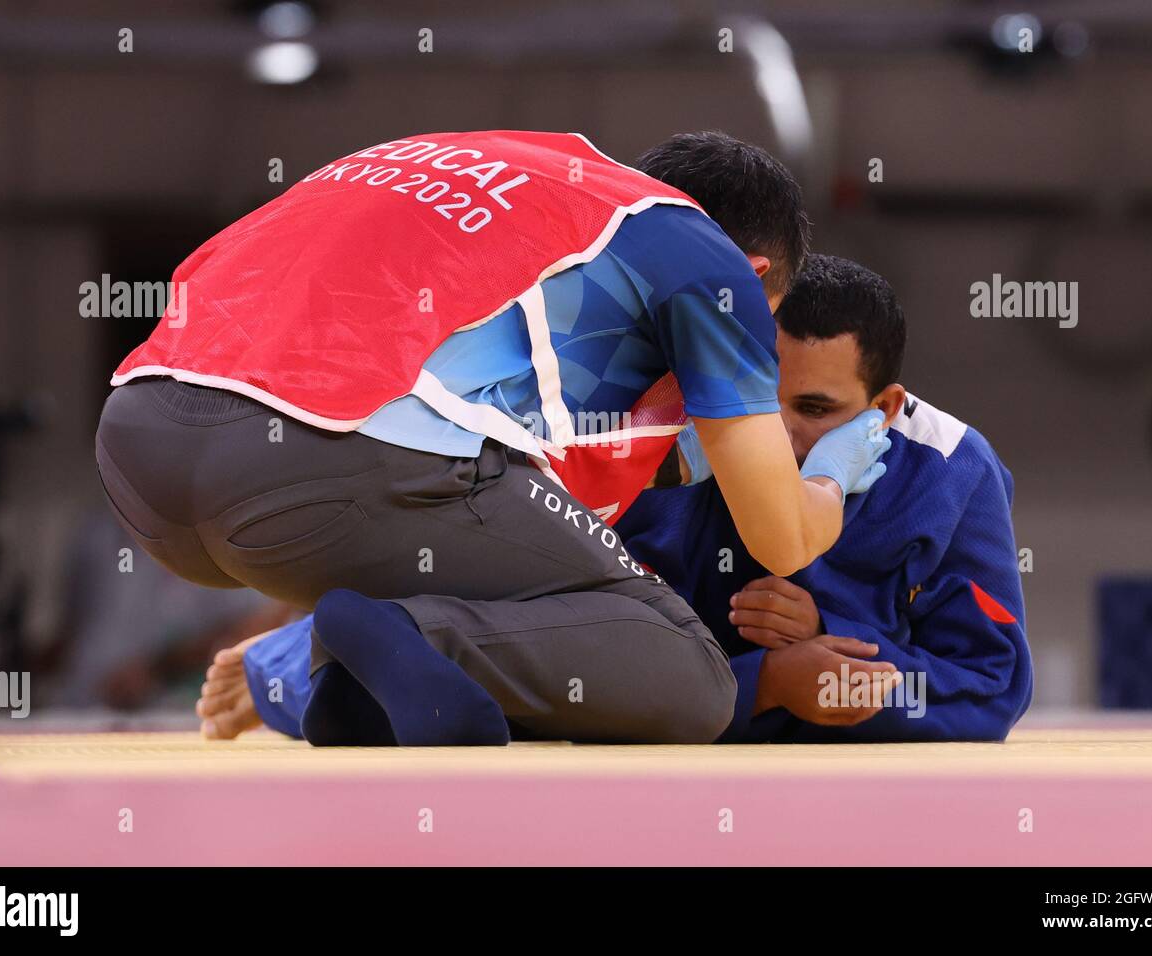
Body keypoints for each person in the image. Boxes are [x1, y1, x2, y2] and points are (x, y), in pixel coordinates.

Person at [98, 131, 888, 746]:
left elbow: (517, 524)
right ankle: (408, 646)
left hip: (142, 455)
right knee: (687, 670)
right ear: (750, 279)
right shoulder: (707, 261)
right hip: (336, 465)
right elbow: (780, 537)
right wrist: (828, 473)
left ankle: (371, 696)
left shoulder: (525, 177)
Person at [620, 254, 1033, 741]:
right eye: (755, 395)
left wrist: (828, 634)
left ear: (884, 407)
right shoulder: (655, 444)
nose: (774, 434)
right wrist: (766, 684)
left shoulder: (954, 470)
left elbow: (990, 688)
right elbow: (593, 662)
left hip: (869, 802)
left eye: (814, 408)